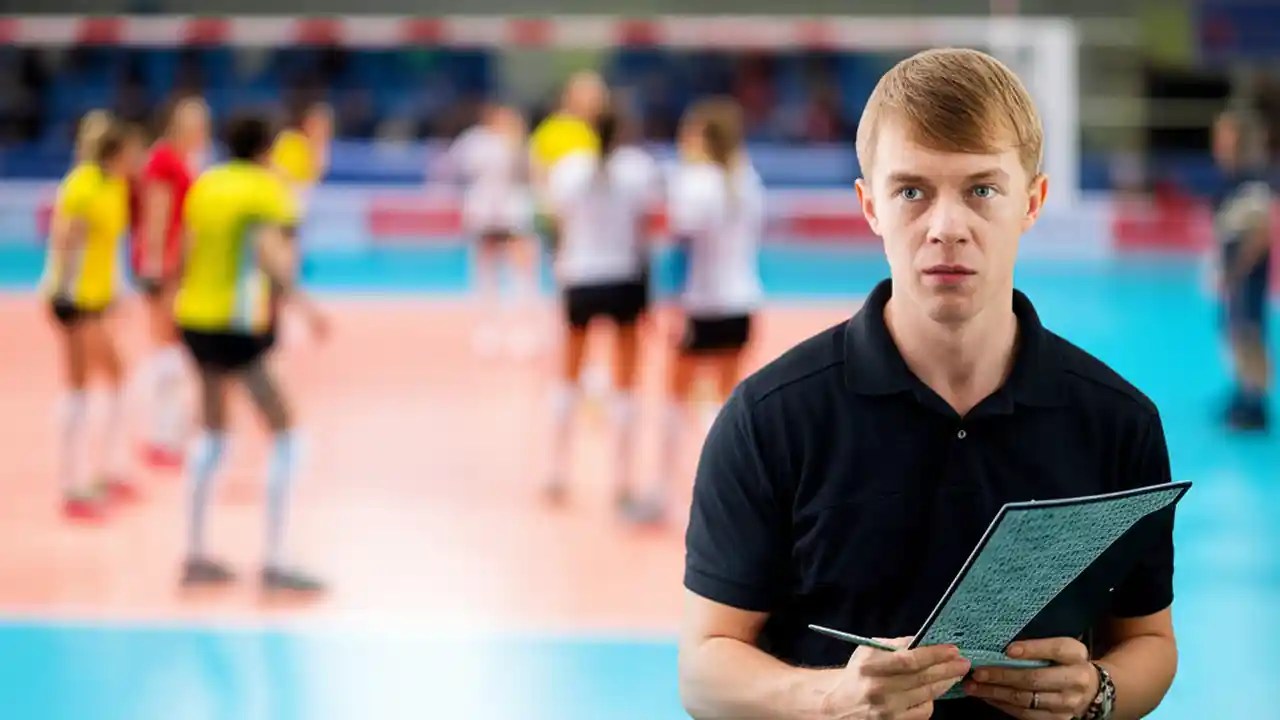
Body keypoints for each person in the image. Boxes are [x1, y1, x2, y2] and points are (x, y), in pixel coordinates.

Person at [679, 49, 1178, 720]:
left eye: (982, 190)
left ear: (1032, 202)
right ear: (870, 206)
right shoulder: (769, 418)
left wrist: (1098, 692)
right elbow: (704, 669)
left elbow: (1149, 641)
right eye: (912, 192)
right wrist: (831, 700)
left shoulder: (1117, 422)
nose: (946, 228)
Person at [176, 114, 329, 592]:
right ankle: (276, 561)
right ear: (266, 149)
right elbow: (271, 256)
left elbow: (186, 250)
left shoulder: (206, 185)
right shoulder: (266, 190)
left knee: (213, 431)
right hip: (239, 324)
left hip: (195, 316)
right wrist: (306, 307)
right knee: (288, 435)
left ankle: (195, 554)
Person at [646, 97, 764, 524]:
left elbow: (679, 249)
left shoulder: (695, 182)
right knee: (726, 404)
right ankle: (730, 496)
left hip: (701, 305)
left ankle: (664, 492)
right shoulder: (747, 180)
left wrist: (668, 305)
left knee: (675, 400)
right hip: (741, 303)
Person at [543, 107, 658, 513]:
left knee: (568, 375)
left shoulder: (569, 170)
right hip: (624, 278)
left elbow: (557, 223)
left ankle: (557, 472)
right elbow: (647, 229)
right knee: (626, 381)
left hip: (580, 278)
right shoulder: (638, 169)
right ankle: (622, 479)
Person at [41, 113, 147, 520]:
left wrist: (117, 291)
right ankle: (74, 482)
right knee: (82, 384)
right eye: (131, 152)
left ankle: (105, 469)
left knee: (108, 378)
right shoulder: (82, 187)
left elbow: (109, 245)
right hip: (77, 301)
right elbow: (65, 243)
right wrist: (64, 299)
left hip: (96, 298)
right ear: (114, 153)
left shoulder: (114, 187)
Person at [131, 95, 211, 467]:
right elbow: (157, 213)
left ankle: (168, 430)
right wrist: (155, 266)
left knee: (174, 348)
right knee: (169, 348)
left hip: (178, 265)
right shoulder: (165, 160)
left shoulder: (184, 159)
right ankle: (162, 434)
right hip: (166, 266)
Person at [443, 102, 536, 357]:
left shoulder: (518, 142)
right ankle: (488, 329)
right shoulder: (475, 141)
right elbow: (453, 169)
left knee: (521, 271)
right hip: (484, 213)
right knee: (486, 271)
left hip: (513, 213)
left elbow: (530, 172)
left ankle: (521, 329)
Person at [1210, 107, 1273, 431]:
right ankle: (1242, 391)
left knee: (1250, 335)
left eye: (1224, 136)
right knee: (1234, 334)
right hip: (1235, 275)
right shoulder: (1230, 182)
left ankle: (1255, 401)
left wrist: (1236, 272)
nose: (1217, 143)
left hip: (1247, 276)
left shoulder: (1252, 181)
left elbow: (1260, 234)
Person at [528, 71, 609, 253]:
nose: (597, 101)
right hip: (566, 222)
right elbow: (539, 173)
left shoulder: (603, 132)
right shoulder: (554, 131)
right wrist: (550, 210)